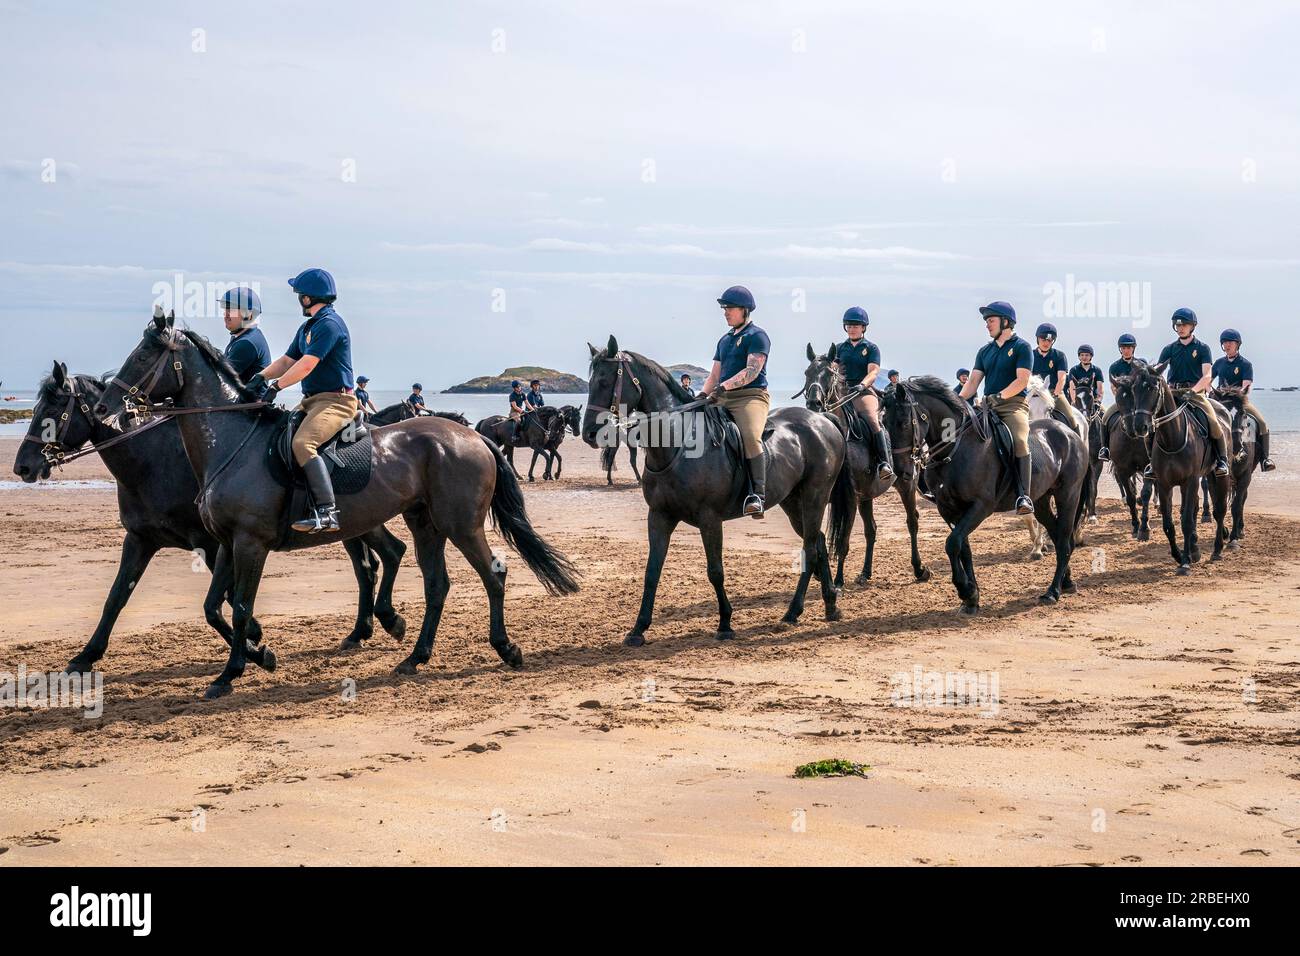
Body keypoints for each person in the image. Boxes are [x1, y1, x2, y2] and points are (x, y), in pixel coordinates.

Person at [251, 268, 356, 533]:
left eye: (299, 294)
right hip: (312, 401)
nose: (298, 298)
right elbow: (288, 361)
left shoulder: (329, 325)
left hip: (336, 402)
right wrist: (259, 377)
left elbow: (307, 365)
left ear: (307, 298)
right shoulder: (308, 327)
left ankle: (327, 512)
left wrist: (276, 386)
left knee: (303, 443)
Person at [699, 285, 771, 517]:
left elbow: (752, 371)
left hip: (750, 397)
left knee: (750, 437)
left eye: (730, 308)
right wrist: (701, 396)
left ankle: (757, 495)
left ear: (745, 310)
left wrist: (724, 387)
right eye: (724, 308)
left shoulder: (757, 336)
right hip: (722, 395)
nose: (726, 312)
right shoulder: (724, 340)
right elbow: (714, 375)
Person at [958, 301, 1034, 515]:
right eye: (987, 321)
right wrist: (956, 402)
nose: (987, 325)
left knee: (1020, 440)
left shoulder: (1022, 347)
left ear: (1006, 322)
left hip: (1013, 405)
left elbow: (1022, 381)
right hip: (987, 407)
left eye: (991, 320)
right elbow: (972, 383)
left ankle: (1023, 495)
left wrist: (999, 397)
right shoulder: (985, 351)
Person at [1153, 307, 1229, 477]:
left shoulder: (1202, 348)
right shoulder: (1169, 349)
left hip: (1195, 394)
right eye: (1177, 325)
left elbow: (1207, 375)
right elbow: (1158, 373)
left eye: (1184, 325)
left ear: (1192, 326)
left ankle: (1222, 460)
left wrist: (1193, 391)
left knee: (1213, 420)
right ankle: (1152, 463)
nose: (1180, 328)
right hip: (1172, 393)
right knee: (1152, 423)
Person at [831, 306, 893, 479]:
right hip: (842, 391)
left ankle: (884, 463)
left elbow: (873, 372)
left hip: (862, 391)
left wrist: (862, 385)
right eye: (849, 325)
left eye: (856, 326)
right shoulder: (839, 348)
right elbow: (833, 367)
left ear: (863, 327)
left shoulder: (871, 348)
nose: (852, 329)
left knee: (872, 420)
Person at [1214, 328, 1274, 471]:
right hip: (1221, 402)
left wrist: (1235, 396)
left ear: (1238, 344)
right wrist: (1212, 392)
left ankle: (1265, 459)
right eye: (1224, 342)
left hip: (1239, 402)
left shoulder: (1245, 364)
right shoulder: (1218, 363)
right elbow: (1208, 379)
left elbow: (1246, 386)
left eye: (1230, 342)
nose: (1227, 345)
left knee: (1262, 423)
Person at [1096, 333, 1140, 462]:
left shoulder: (1141, 364)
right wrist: (1122, 399)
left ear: (1133, 348)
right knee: (1105, 417)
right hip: (1124, 402)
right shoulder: (1114, 367)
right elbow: (1113, 387)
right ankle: (1105, 448)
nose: (1126, 350)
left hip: (1139, 401)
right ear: (1120, 349)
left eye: (1129, 348)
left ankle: (1154, 449)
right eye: (1123, 348)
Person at [219, 287, 272, 386]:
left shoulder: (246, 343)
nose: (226, 315)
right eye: (225, 310)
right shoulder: (245, 336)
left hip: (247, 401)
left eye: (231, 310)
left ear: (248, 314)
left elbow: (220, 378)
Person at [1031, 323, 1075, 422]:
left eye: (1049, 340)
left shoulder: (1059, 356)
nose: (1046, 343)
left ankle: (1079, 437)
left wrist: (1054, 395)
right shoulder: (1030, 355)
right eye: (1043, 340)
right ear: (1037, 339)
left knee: (1071, 418)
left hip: (1054, 393)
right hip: (1034, 394)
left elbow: (1062, 378)